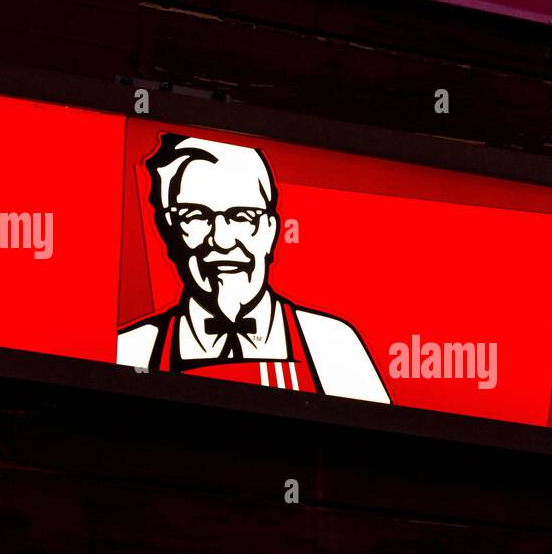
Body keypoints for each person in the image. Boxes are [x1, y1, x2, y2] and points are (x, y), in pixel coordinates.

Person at [117, 134, 389, 403]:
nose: (222, 240)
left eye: (241, 217)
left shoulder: (332, 346)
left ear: (270, 231)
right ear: (169, 232)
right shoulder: (132, 350)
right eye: (196, 216)